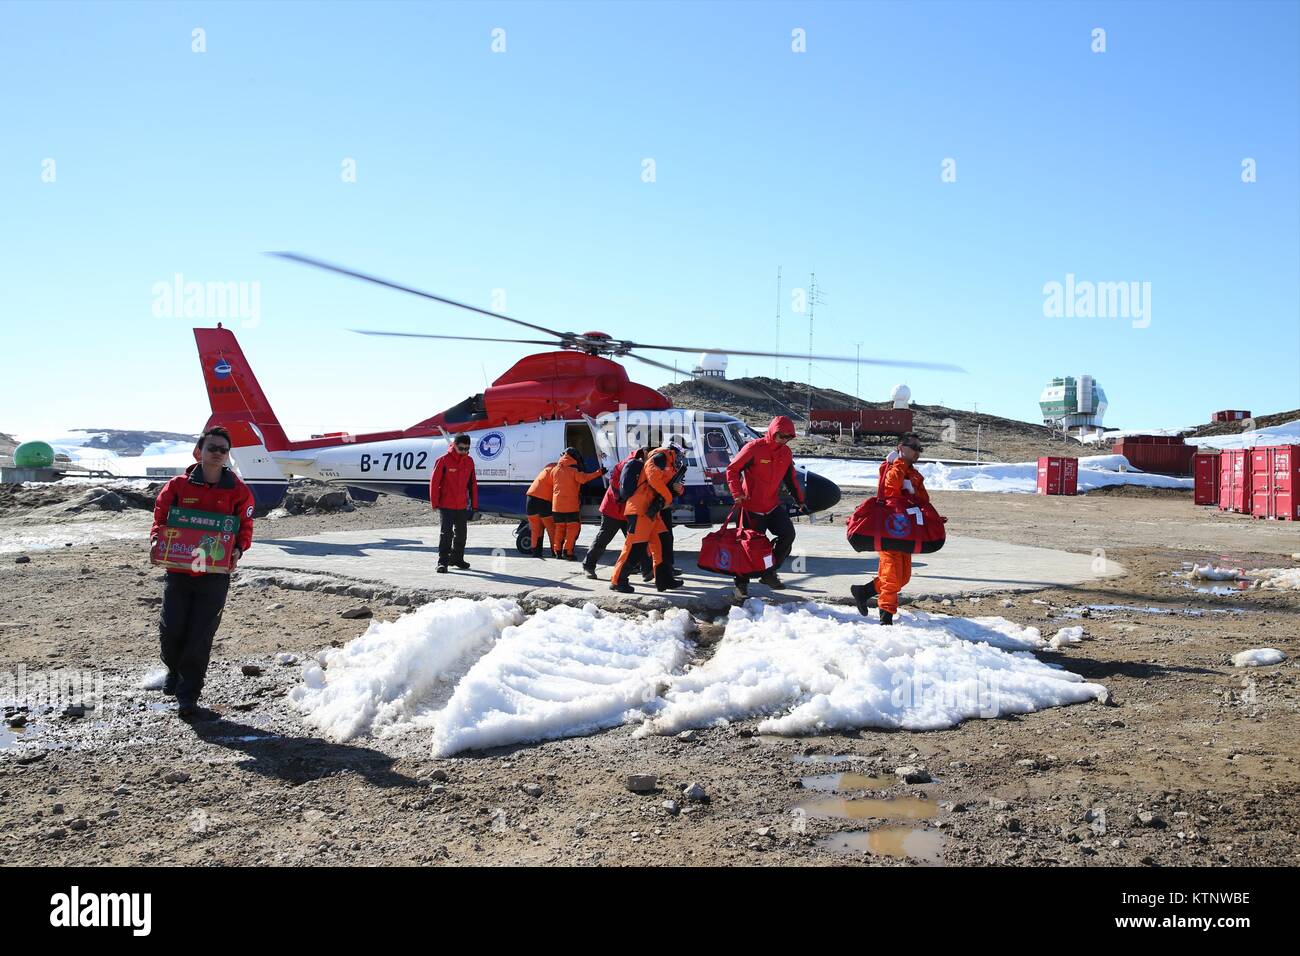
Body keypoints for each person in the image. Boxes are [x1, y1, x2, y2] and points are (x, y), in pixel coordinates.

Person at [150, 426, 255, 719]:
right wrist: (157, 541)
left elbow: (245, 527)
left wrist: (238, 549)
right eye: (212, 448)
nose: (218, 453)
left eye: (223, 449)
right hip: (180, 571)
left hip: (214, 575)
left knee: (200, 637)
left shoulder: (238, 491)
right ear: (200, 451)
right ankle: (173, 669)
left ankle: (188, 696)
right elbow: (160, 519)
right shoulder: (177, 486)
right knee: (172, 631)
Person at [724, 415, 807, 599]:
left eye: (788, 437)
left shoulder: (785, 453)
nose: (784, 440)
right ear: (773, 432)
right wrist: (737, 493)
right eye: (781, 436)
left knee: (787, 534)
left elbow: (790, 478)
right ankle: (741, 585)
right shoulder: (754, 448)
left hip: (771, 505)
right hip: (751, 506)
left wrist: (800, 500)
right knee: (748, 547)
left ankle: (769, 572)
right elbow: (732, 469)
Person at [851, 432, 929, 625]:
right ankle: (886, 621)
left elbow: (924, 500)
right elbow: (890, 490)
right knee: (892, 576)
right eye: (915, 448)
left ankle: (863, 591)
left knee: (903, 578)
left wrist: (913, 490)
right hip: (888, 528)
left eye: (921, 449)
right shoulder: (890, 467)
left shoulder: (914, 474)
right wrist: (901, 463)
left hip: (905, 530)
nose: (918, 452)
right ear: (901, 448)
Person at [610, 445, 684, 593]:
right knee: (634, 548)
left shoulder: (668, 463)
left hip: (651, 511)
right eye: (680, 454)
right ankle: (618, 580)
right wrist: (668, 497)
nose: (681, 458)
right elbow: (653, 477)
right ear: (674, 452)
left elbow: (666, 485)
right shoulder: (660, 457)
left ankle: (664, 580)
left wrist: (678, 489)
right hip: (640, 510)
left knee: (663, 543)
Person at [582, 447, 653, 580]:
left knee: (639, 541)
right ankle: (588, 566)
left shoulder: (642, 465)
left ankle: (647, 570)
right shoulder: (629, 465)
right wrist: (624, 498)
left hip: (629, 510)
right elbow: (616, 484)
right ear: (645, 453)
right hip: (613, 509)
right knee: (603, 539)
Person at [429, 433, 477, 572]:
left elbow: (472, 484)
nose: (464, 451)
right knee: (446, 534)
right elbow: (434, 482)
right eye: (461, 448)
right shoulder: (443, 460)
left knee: (461, 534)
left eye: (467, 449)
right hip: (446, 505)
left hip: (462, 505)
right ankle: (442, 562)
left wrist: (474, 505)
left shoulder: (469, 461)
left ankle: (457, 559)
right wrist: (434, 503)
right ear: (454, 445)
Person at [549, 447, 606, 560]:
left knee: (559, 529)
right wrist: (599, 472)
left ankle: (557, 551)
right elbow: (584, 479)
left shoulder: (554, 470)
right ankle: (568, 552)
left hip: (556, 506)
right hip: (570, 506)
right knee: (572, 529)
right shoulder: (574, 471)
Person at [525, 461, 559, 557]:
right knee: (551, 528)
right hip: (544, 501)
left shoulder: (546, 469)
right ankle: (555, 551)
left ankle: (536, 551)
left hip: (530, 498)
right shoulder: (559, 470)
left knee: (536, 529)